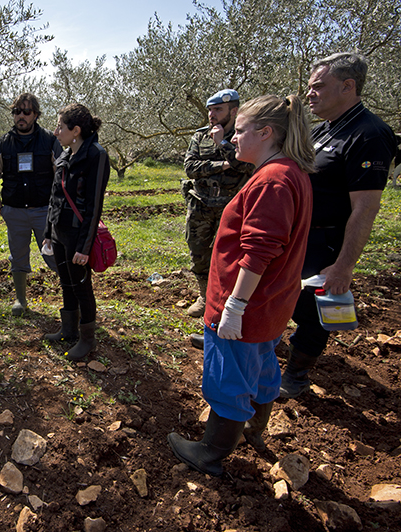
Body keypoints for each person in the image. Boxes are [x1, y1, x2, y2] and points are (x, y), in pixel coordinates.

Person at [168, 94, 315, 476]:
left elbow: (258, 251)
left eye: (242, 129)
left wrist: (233, 307)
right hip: (270, 305)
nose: (233, 137)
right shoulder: (289, 172)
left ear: (265, 133)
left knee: (228, 376)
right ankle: (255, 429)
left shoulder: (272, 181)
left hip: (246, 306)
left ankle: (211, 453)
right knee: (263, 367)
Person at [280, 53, 398, 399]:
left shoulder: (370, 134)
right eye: (309, 86)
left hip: (327, 242)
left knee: (320, 308)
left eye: (318, 86)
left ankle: (298, 373)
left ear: (349, 87)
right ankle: (267, 344)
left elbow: (366, 206)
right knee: (285, 295)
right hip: (299, 236)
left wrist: (344, 265)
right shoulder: (322, 130)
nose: (310, 93)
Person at [42, 103, 110, 361]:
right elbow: (54, 196)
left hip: (77, 234)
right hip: (60, 232)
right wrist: (49, 231)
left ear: (76, 130)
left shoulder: (95, 155)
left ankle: (87, 340)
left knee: (82, 287)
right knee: (66, 283)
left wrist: (84, 247)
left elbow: (94, 206)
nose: (56, 131)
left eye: (61, 126)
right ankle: (68, 329)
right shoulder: (64, 155)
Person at [183, 89, 255, 326]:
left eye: (218, 110)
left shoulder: (243, 136)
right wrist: (224, 164)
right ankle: (205, 297)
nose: (212, 115)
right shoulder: (200, 136)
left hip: (232, 207)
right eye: (210, 110)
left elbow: (244, 164)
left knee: (230, 256)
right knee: (199, 251)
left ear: (233, 111)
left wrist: (223, 143)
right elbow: (191, 168)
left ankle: (227, 301)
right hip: (201, 205)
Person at [0, 93, 62, 315]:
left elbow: (62, 173)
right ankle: (21, 300)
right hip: (15, 212)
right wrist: (0, 208)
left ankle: (72, 297)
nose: (21, 116)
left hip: (44, 212)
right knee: (18, 257)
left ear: (36, 115)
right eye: (17, 112)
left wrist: (56, 209)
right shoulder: (4, 143)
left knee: (54, 256)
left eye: (26, 112)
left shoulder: (50, 140)